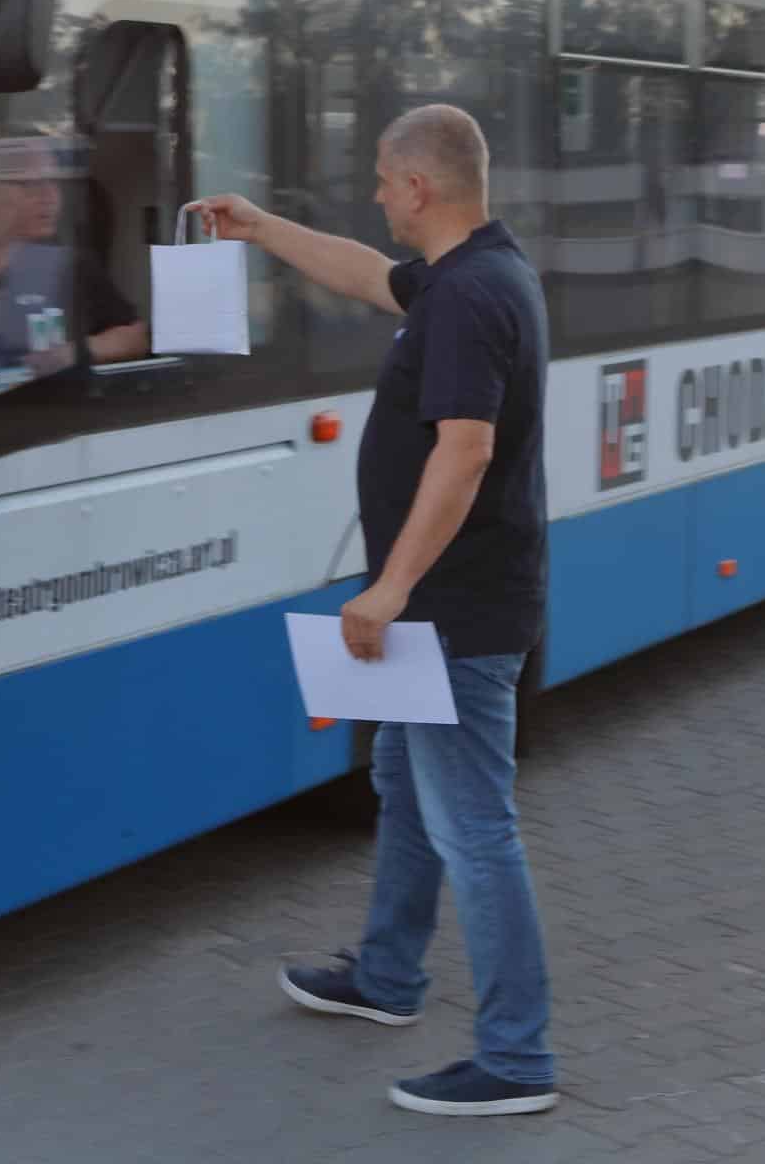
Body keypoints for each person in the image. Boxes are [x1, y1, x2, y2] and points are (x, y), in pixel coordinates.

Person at [186, 102, 556, 1118]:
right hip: (447, 606)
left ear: (422, 187)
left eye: (387, 183)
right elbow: (360, 270)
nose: (379, 198)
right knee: (401, 773)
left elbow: (466, 448)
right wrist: (258, 227)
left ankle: (518, 1056)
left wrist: (389, 587)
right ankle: (388, 977)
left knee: (476, 826)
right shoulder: (466, 274)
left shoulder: (473, 295)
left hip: (454, 611)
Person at [0, 125, 147, 404]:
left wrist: (72, 353)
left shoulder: (70, 267)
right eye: (28, 183)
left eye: (53, 181)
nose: (49, 196)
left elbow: (136, 339)